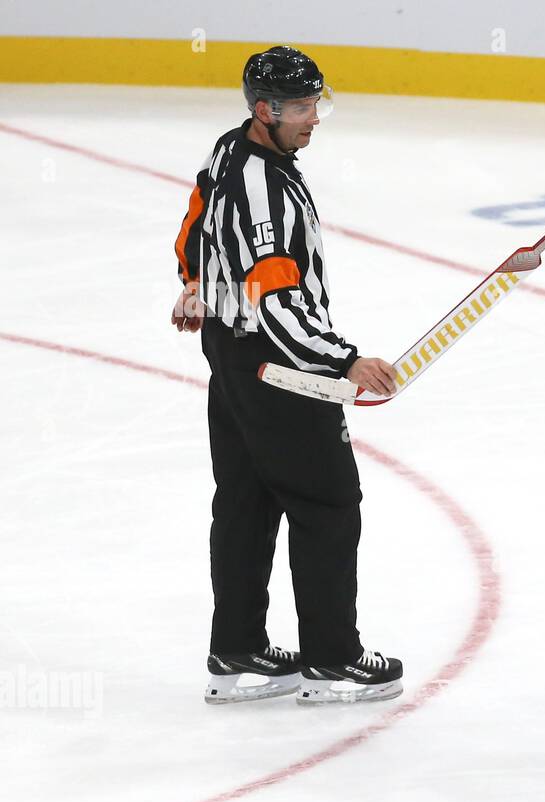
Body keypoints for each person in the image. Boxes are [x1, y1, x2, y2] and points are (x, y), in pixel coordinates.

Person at [171, 46, 403, 705]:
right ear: (264, 110)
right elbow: (279, 303)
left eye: (315, 103)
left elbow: (196, 220)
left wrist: (196, 286)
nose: (314, 118)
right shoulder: (265, 189)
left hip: (231, 353)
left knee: (246, 500)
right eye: (302, 107)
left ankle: (237, 651)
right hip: (278, 366)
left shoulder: (230, 150)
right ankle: (333, 661)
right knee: (327, 504)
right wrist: (344, 360)